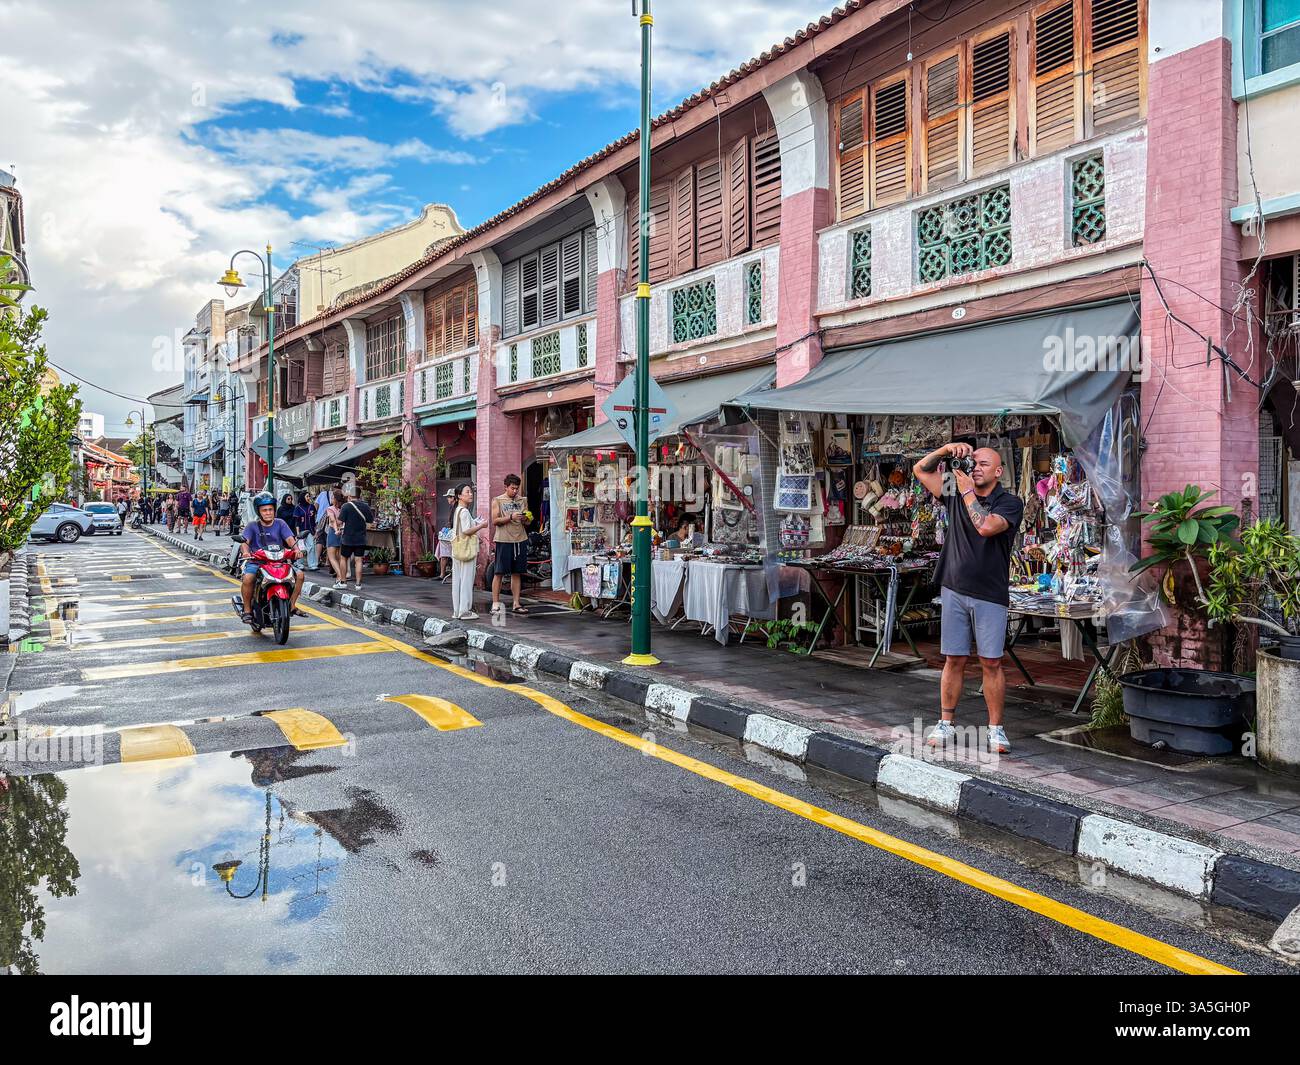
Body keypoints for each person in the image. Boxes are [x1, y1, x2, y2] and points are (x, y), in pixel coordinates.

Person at [913, 442, 1025, 755]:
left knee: (991, 661)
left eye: (984, 464)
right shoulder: (953, 489)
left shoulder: (1010, 502)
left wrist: (966, 493)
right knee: (954, 658)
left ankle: (995, 730)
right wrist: (945, 449)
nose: (976, 467)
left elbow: (987, 527)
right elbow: (920, 470)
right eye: (973, 462)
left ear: (999, 471)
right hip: (954, 586)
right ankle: (946, 723)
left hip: (990, 592)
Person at [238, 492, 305, 623]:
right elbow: (244, 543)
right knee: (248, 578)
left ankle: (291, 605)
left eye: (270, 509)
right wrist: (246, 553)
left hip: (279, 561)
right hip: (257, 561)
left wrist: (297, 550)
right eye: (264, 510)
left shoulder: (281, 523)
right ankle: (247, 611)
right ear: (259, 512)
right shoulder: (252, 526)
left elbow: (291, 540)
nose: (268, 513)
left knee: (300, 575)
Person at [490, 473, 528, 615]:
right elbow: (495, 521)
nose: (515, 491)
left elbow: (528, 522)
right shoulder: (498, 500)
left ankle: (516, 603)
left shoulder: (522, 500)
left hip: (520, 539)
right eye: (512, 488)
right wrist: (510, 517)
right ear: (506, 487)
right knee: (499, 572)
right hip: (504, 539)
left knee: (517, 572)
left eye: (517, 488)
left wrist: (525, 519)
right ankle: (495, 603)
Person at [449, 482, 488, 620]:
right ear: (459, 495)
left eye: (471, 492)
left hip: (458, 549)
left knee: (457, 580)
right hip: (466, 550)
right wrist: (481, 525)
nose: (470, 494)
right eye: (467, 492)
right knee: (466, 579)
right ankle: (465, 611)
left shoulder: (458, 510)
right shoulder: (464, 511)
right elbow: (466, 531)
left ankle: (457, 610)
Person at [337, 489, 374, 591]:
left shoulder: (346, 506)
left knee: (344, 558)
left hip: (348, 538)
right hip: (361, 538)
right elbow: (370, 521)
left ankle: (343, 582)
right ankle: (358, 584)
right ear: (359, 495)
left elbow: (339, 522)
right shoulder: (365, 506)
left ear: (350, 495)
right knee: (359, 560)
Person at [325, 489, 348, 588]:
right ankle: (341, 578)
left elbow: (332, 520)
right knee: (340, 558)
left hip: (334, 533)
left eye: (332, 497)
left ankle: (340, 577)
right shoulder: (344, 508)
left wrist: (335, 530)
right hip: (343, 532)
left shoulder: (330, 509)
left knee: (331, 557)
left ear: (334, 499)